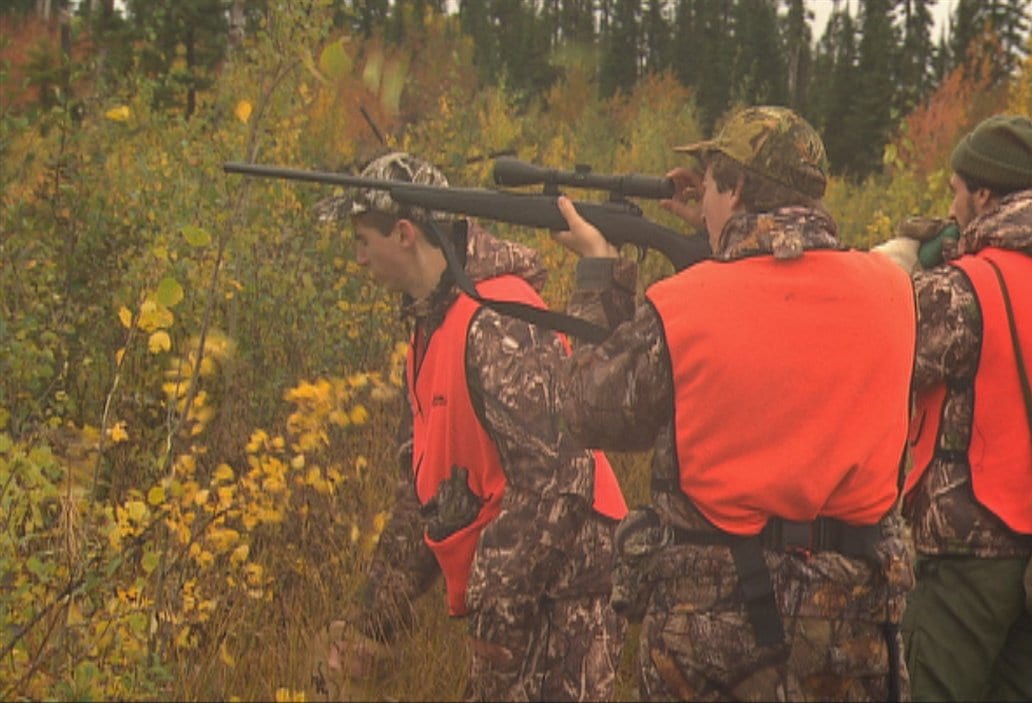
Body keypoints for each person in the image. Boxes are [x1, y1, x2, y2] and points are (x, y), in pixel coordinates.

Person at [552, 106, 917, 701]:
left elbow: (588, 409)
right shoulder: (891, 291)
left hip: (715, 640)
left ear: (737, 187)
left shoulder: (686, 305)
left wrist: (598, 277)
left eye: (713, 184)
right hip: (852, 628)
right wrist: (715, 229)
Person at [312, 151, 629, 702]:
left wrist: (496, 614)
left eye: (363, 239)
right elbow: (428, 496)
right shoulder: (434, 325)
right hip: (521, 600)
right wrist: (371, 619)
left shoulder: (495, 320)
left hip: (564, 598)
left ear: (405, 233)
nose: (359, 258)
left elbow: (559, 477)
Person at [897, 115, 1032, 701]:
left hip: (967, 547)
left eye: (955, 191)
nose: (952, 204)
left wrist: (907, 268)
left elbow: (883, 367)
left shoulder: (962, 286)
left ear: (984, 194)